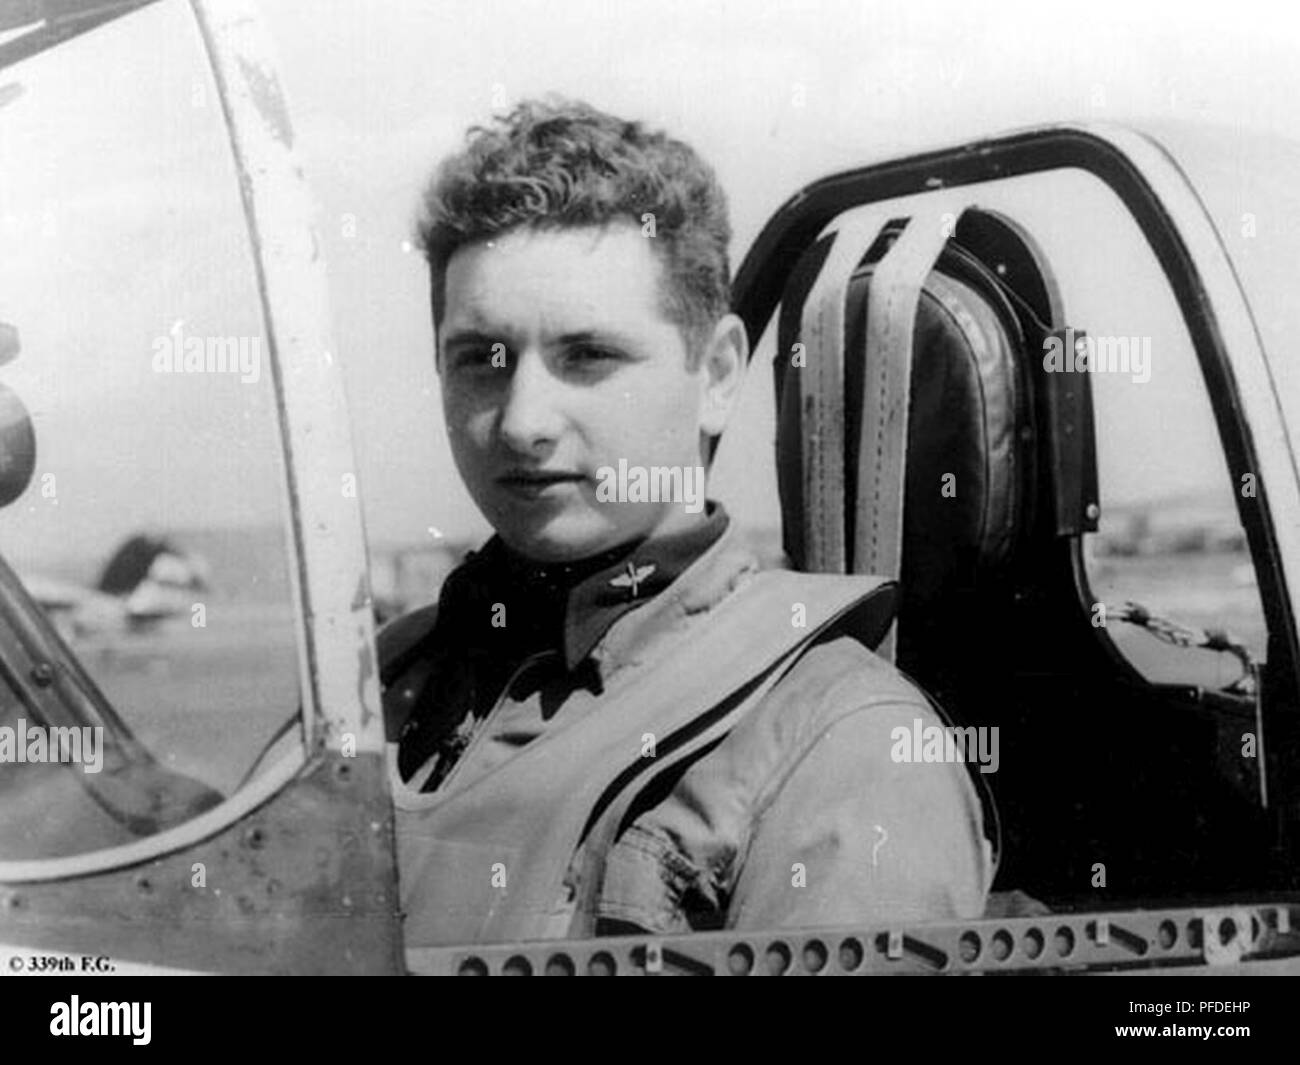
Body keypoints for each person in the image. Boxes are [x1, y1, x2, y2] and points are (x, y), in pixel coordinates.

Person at [382, 97, 993, 951]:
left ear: (715, 374)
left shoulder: (841, 743)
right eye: (481, 359)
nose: (523, 420)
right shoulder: (381, 689)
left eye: (587, 356)